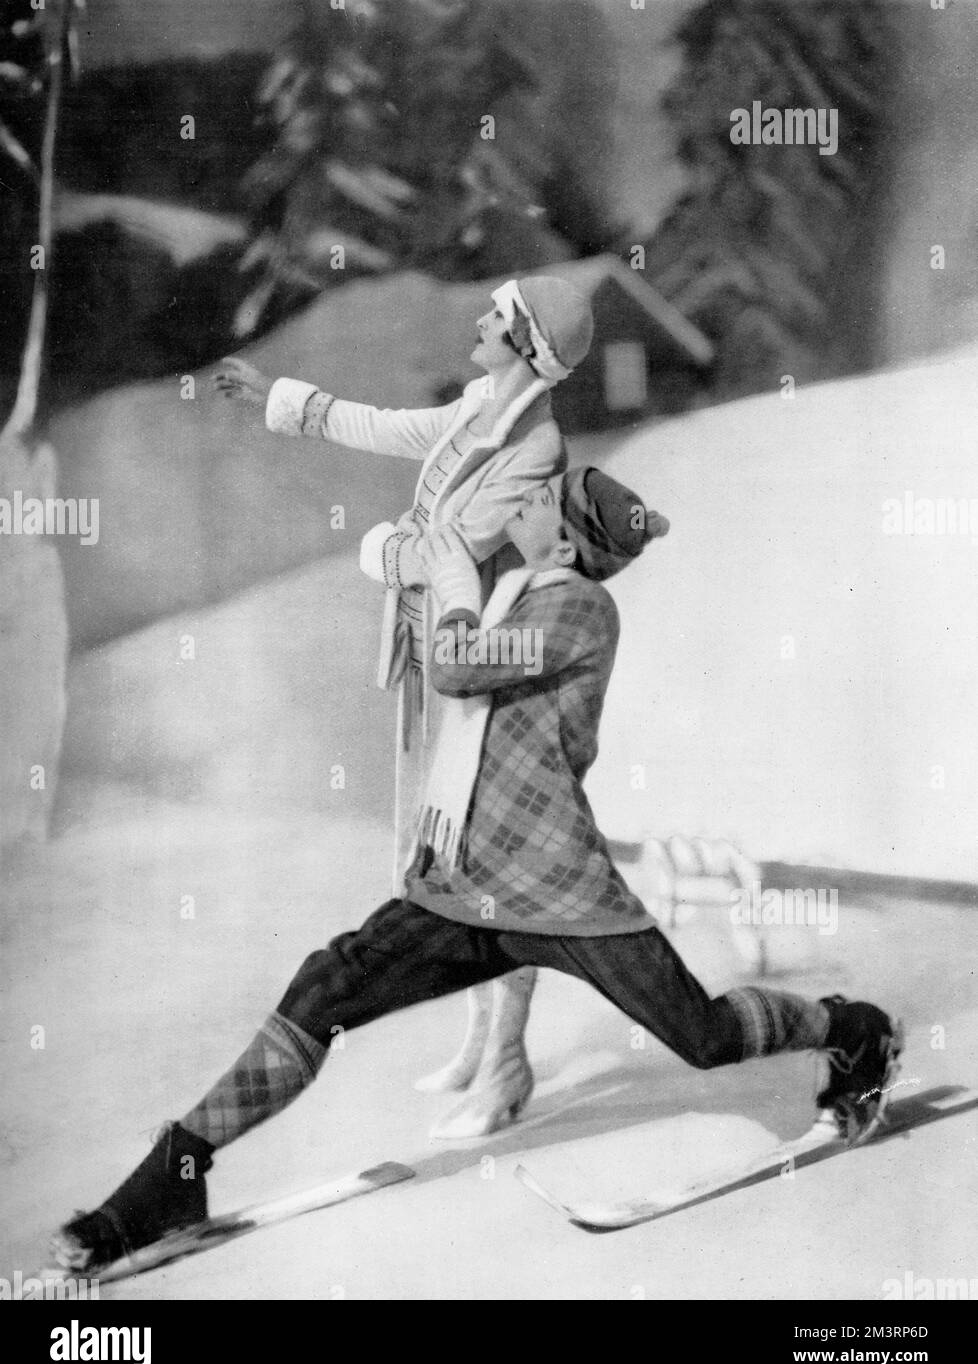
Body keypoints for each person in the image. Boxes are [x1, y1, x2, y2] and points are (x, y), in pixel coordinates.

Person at [51, 467, 901, 1271]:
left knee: (704, 1037)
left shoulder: (581, 609)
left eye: (538, 501)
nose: (521, 502)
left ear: (565, 544)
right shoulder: (520, 588)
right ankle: (174, 1176)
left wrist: (452, 580)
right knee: (322, 990)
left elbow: (460, 665)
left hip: (556, 891)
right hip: (466, 883)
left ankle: (853, 1028)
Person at [214, 276, 595, 1138]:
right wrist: (278, 399)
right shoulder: (481, 406)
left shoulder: (532, 445)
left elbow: (450, 551)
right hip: (435, 661)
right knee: (439, 861)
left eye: (497, 317)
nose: (479, 320)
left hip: (485, 671)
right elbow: (389, 429)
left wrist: (385, 552)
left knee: (485, 868)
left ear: (531, 347)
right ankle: (479, 1038)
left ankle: (507, 1064)